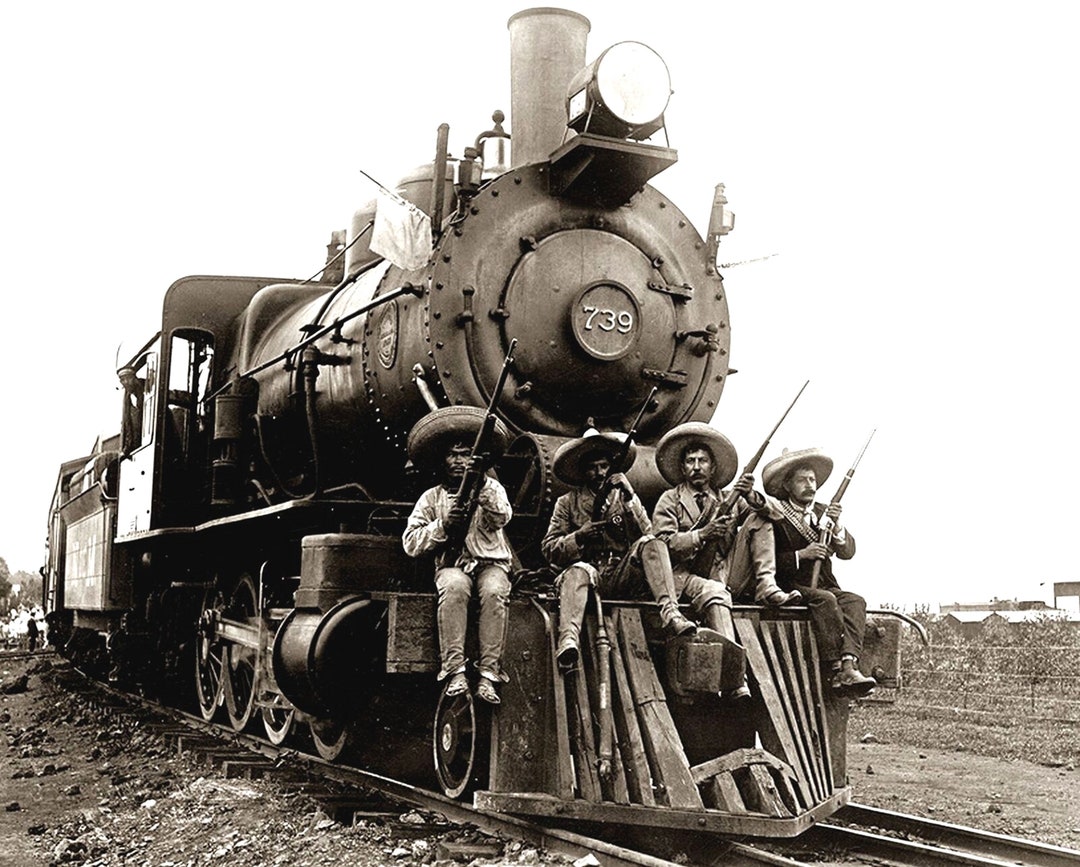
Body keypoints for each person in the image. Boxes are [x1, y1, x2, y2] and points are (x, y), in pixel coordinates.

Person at [542, 429, 696, 673]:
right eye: (593, 467)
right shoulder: (567, 503)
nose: (600, 473)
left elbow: (651, 535)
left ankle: (671, 614)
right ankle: (568, 641)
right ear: (583, 471)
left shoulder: (624, 497)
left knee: (651, 543)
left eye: (604, 466)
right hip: (586, 575)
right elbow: (550, 549)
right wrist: (579, 536)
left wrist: (630, 495)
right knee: (579, 570)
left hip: (621, 574)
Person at [728, 448, 875, 695]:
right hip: (790, 586)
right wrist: (802, 555)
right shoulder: (777, 512)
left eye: (812, 480)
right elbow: (766, 560)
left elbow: (848, 552)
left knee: (855, 601)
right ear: (787, 485)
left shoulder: (823, 513)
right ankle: (834, 667)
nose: (810, 485)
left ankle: (849, 663)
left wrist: (837, 526)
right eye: (802, 480)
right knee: (825, 599)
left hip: (823, 585)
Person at [402, 406, 513, 704]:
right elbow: (410, 542)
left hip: (492, 565)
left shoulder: (492, 489)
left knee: (494, 590)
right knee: (453, 587)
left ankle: (489, 674)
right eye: (453, 455)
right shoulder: (431, 498)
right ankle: (455, 671)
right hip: (453, 567)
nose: (459, 461)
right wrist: (443, 526)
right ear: (443, 460)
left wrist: (481, 490)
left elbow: (503, 516)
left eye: (466, 455)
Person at [652, 422, 801, 639]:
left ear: (712, 467)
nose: (696, 467)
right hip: (685, 575)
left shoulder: (726, 498)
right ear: (683, 468)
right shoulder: (670, 499)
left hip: (726, 572)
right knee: (714, 591)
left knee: (759, 519)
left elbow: (777, 516)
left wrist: (751, 496)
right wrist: (701, 535)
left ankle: (767, 587)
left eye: (702, 461)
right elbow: (661, 546)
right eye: (690, 461)